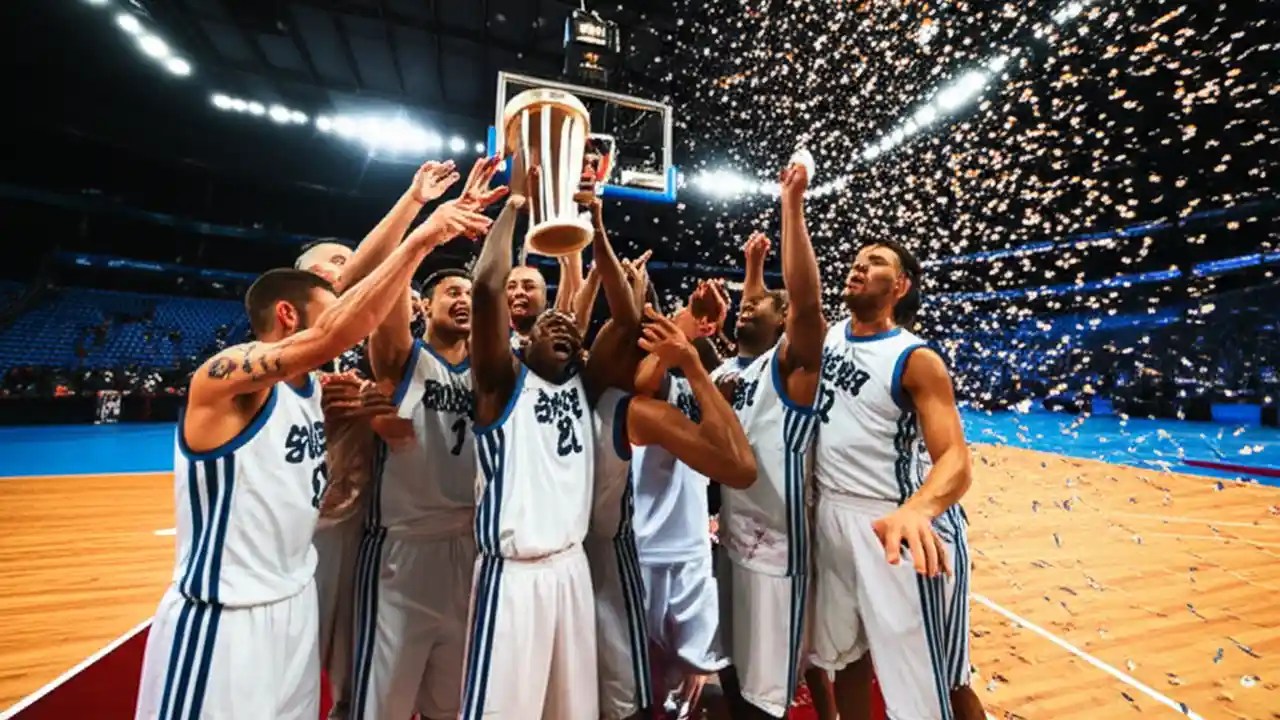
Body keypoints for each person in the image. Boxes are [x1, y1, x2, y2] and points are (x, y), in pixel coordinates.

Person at [133, 199, 492, 720]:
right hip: (225, 613)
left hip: (297, 594)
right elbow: (335, 330)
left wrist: (368, 419)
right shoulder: (227, 373)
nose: (346, 315)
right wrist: (422, 237)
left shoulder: (315, 392)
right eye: (333, 302)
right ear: (288, 314)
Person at [458, 171, 635, 718]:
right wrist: (516, 202)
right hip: (513, 577)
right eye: (547, 325)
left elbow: (626, 320)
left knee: (573, 710)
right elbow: (487, 288)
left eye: (567, 323)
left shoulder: (585, 383)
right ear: (522, 340)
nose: (560, 327)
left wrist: (597, 226)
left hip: (572, 569)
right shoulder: (498, 385)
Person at [580, 196, 757, 720]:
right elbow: (647, 368)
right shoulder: (635, 391)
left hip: (687, 546)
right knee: (642, 688)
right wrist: (682, 326)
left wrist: (697, 331)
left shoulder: (696, 380)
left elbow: (713, 380)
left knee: (707, 686)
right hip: (635, 551)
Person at [304, 158, 468, 720]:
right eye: (333, 264)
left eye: (347, 261)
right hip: (305, 522)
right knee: (298, 660)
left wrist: (415, 206)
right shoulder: (285, 350)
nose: (344, 269)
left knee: (356, 665)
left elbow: (372, 277)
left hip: (364, 513)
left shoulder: (364, 331)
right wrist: (416, 215)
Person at [809, 239, 986, 720]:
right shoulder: (827, 337)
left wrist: (916, 510)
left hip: (900, 526)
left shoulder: (915, 358)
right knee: (848, 659)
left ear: (901, 285)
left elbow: (954, 456)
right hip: (836, 517)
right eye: (856, 258)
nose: (859, 264)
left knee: (941, 679)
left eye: (876, 261)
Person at [713, 161, 826, 720]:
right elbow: (758, 304)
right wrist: (752, 268)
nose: (744, 304)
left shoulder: (794, 368)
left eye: (756, 303)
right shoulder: (737, 368)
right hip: (735, 541)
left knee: (766, 694)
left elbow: (803, 306)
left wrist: (791, 207)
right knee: (733, 671)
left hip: (779, 555)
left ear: (783, 324)